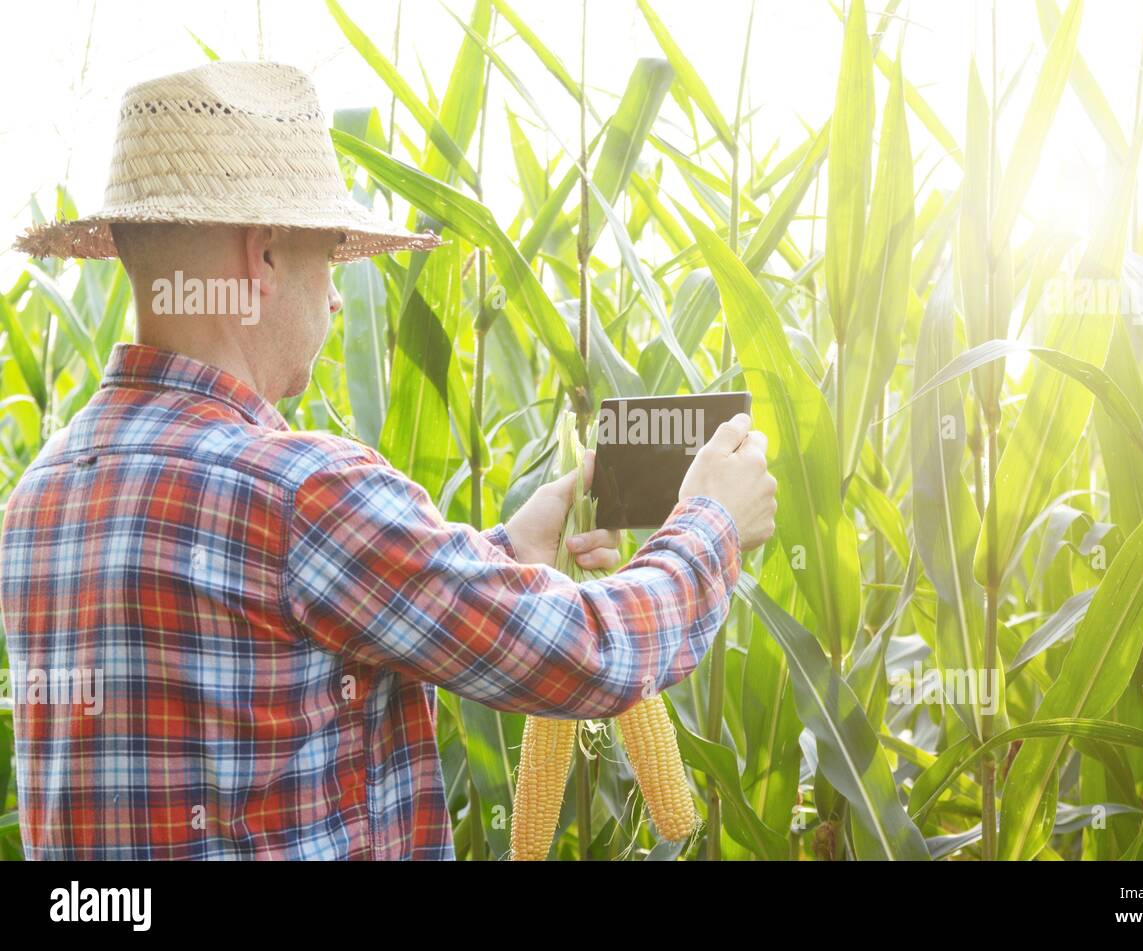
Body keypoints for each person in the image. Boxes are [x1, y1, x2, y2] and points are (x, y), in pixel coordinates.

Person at [0, 61, 777, 859]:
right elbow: (592, 655)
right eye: (328, 255)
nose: (338, 297)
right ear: (262, 258)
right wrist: (710, 525)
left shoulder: (38, 498)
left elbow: (302, 626)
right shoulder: (299, 492)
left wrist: (507, 552)